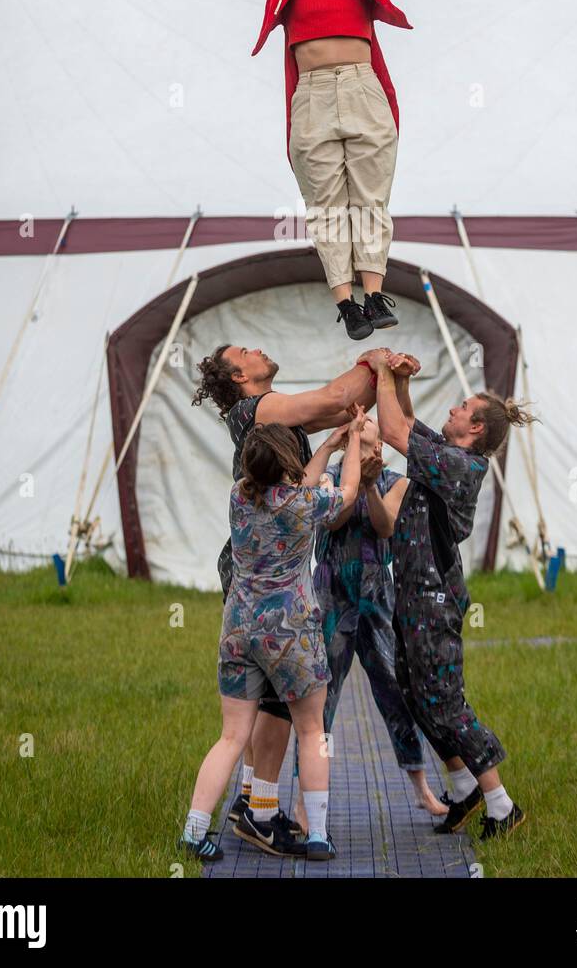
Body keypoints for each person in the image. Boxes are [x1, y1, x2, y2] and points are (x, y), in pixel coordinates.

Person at [190, 0, 426, 340]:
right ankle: (347, 304)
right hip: (313, 97)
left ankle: (374, 292)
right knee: (325, 204)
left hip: (363, 92)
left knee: (370, 198)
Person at [191, 341, 381, 855]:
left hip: (245, 598)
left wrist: (332, 439)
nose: (257, 348)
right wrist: (376, 365)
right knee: (285, 707)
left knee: (250, 712)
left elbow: (333, 413)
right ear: (239, 377)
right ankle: (267, 814)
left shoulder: (250, 478)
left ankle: (246, 805)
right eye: (245, 351)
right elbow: (333, 400)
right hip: (280, 601)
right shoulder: (258, 408)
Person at [362, 348, 535, 839]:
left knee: (445, 700)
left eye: (462, 407)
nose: (455, 408)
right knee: (415, 692)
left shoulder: (460, 466)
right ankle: (463, 788)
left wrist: (378, 371)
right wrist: (398, 381)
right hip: (415, 595)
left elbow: (395, 433)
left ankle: (502, 806)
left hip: (433, 600)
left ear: (476, 428)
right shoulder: (447, 454)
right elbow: (409, 421)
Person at [292, 412, 448, 827]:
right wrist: (353, 481)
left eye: (374, 441)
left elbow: (384, 528)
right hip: (331, 596)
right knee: (320, 699)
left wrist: (367, 487)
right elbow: (333, 519)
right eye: (360, 441)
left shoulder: (396, 480)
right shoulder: (327, 477)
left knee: (397, 691)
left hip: (377, 598)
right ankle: (305, 802)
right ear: (348, 445)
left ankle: (420, 786)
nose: (369, 448)